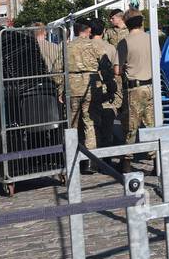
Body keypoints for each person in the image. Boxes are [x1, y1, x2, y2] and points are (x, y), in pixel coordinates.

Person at [64, 19, 103, 154]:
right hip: (90, 87)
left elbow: (57, 70)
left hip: (72, 87)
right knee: (90, 123)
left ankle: (73, 156)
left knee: (72, 125)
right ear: (89, 30)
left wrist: (60, 89)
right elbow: (105, 66)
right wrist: (108, 85)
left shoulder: (67, 47)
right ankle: (91, 160)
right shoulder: (94, 46)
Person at [118, 11, 154, 151]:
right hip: (151, 86)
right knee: (152, 125)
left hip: (134, 89)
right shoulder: (151, 39)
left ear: (127, 24)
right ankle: (156, 158)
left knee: (131, 127)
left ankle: (127, 160)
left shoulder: (124, 42)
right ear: (141, 22)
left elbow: (117, 69)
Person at [90, 17, 122, 147]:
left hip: (91, 91)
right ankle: (107, 157)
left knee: (92, 126)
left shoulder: (87, 47)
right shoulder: (110, 48)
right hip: (107, 92)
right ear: (103, 31)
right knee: (108, 126)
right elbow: (116, 70)